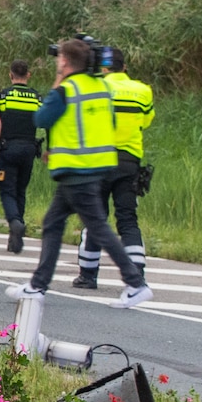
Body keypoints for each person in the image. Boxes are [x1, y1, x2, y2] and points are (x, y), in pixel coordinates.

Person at [19, 39, 152, 308]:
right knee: (56, 223)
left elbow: (41, 119)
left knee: (97, 226)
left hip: (77, 171)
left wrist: (58, 79)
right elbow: (112, 122)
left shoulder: (67, 89)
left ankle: (135, 283)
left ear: (64, 62)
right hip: (107, 164)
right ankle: (37, 285)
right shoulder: (102, 88)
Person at [72, 46, 154, 289]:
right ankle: (136, 274)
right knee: (127, 218)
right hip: (129, 162)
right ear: (124, 67)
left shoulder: (96, 88)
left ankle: (88, 275)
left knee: (94, 217)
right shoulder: (142, 90)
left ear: (103, 68)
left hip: (98, 161)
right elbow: (146, 121)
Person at [0, 61, 42, 254]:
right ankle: (15, 239)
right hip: (29, 149)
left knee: (7, 190)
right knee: (21, 190)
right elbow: (43, 120)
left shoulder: (3, 96)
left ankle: (14, 221)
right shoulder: (36, 97)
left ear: (10, 75)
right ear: (28, 75)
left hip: (8, 149)